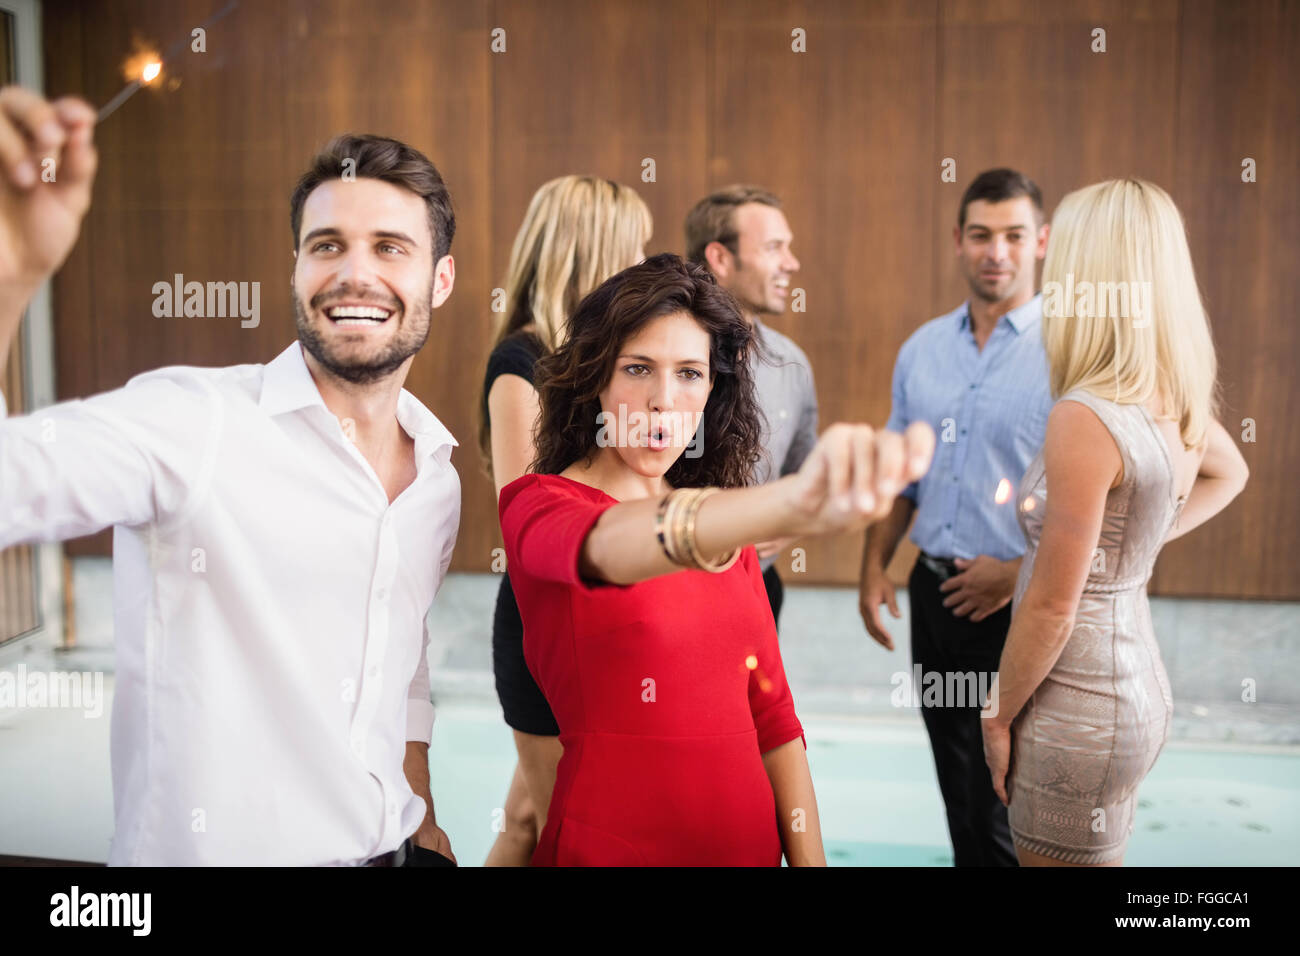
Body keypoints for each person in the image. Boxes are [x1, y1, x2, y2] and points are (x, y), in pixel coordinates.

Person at [0, 88, 460, 865]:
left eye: (389, 247)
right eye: (325, 245)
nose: (353, 273)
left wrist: (420, 808)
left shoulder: (435, 477)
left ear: (441, 280)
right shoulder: (194, 421)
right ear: (295, 267)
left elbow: (401, 648)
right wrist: (10, 278)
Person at [499, 253, 935, 865]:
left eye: (690, 374)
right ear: (597, 376)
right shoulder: (538, 507)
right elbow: (607, 545)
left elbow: (774, 718)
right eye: (638, 369)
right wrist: (789, 504)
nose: (663, 402)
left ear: (712, 390)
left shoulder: (724, 525)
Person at [981, 179, 1249, 866]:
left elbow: (1050, 608)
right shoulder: (1172, 392)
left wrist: (998, 714)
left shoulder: (1088, 414)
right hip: (1137, 690)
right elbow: (1229, 472)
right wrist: (1132, 551)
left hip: (1076, 701)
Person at [858, 168, 1053, 866]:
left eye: (1013, 235)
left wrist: (1019, 574)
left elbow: (1104, 502)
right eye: (980, 235)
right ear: (958, 241)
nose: (995, 251)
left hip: (1021, 607)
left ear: (1041, 242)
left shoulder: (1070, 353)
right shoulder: (922, 350)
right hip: (934, 597)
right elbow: (902, 476)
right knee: (959, 786)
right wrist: (875, 569)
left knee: (1011, 791)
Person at [479, 175, 651, 865]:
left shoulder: (598, 360)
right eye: (634, 246)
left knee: (524, 820)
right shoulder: (521, 362)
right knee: (568, 834)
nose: (644, 261)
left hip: (602, 614)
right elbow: (528, 528)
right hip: (549, 625)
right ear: (597, 251)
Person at [685, 185, 817, 627]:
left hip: (759, 589)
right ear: (721, 259)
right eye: (775, 248)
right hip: (671, 587)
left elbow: (805, 476)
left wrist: (789, 523)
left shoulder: (792, 364)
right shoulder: (660, 357)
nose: (792, 263)